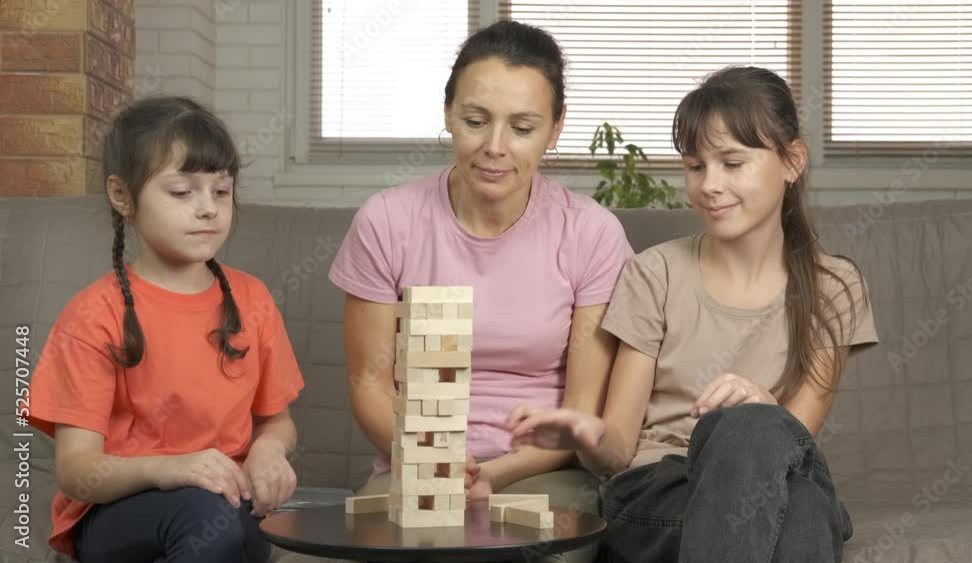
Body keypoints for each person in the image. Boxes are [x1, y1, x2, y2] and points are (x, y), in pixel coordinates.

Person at [506, 66, 879, 563]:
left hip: (779, 480)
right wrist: (586, 435)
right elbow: (617, 451)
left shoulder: (835, 286)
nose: (709, 185)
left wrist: (762, 408)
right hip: (659, 488)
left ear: (792, 161)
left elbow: (798, 435)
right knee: (803, 510)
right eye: (695, 166)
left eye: (732, 162)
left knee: (756, 437)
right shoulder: (654, 274)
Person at [329, 20, 633, 563]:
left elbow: (582, 410)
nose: (494, 148)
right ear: (448, 113)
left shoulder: (590, 233)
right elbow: (371, 383)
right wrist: (431, 467)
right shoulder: (386, 221)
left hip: (539, 473)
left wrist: (489, 473)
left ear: (555, 130)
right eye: (475, 121)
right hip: (413, 467)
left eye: (522, 127)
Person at [27, 96, 305, 562]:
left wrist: (268, 452)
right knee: (204, 520)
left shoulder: (251, 299)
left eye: (221, 191)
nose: (208, 209)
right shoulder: (94, 315)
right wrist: (170, 468)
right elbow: (77, 471)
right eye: (182, 192)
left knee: (250, 529)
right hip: (118, 509)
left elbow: (277, 420)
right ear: (122, 197)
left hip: (223, 502)